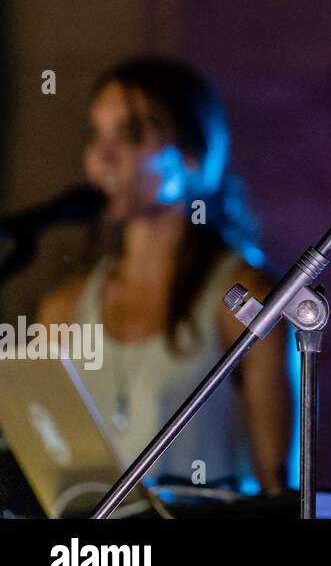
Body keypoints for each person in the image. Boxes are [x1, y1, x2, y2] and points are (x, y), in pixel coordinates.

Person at [36, 56, 289, 493]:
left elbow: (280, 485)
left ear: (193, 155)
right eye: (96, 133)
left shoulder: (242, 299)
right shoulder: (63, 310)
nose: (102, 155)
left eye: (131, 134)